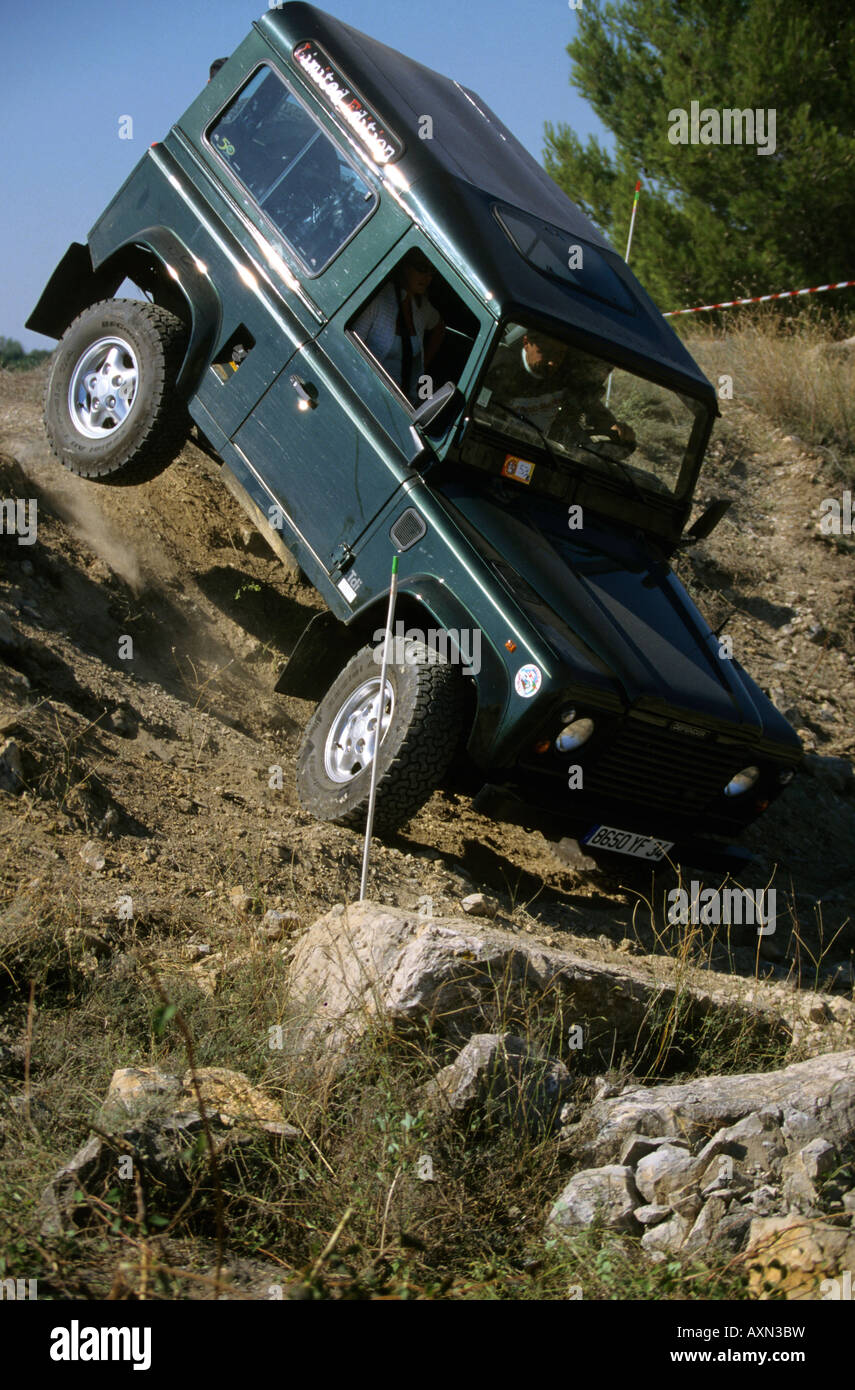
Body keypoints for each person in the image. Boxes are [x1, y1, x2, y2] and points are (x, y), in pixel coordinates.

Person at [484, 330, 636, 451]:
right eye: (546, 352)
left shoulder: (566, 379)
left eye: (559, 354)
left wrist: (611, 426)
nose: (552, 361)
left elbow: (588, 405)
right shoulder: (496, 369)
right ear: (526, 342)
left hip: (544, 455)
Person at [351, 249, 446, 405]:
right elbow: (351, 351)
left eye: (432, 271)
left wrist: (423, 366)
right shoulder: (379, 301)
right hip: (370, 396)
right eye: (422, 268)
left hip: (407, 402)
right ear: (405, 267)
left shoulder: (421, 307)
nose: (427, 277)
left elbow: (439, 327)